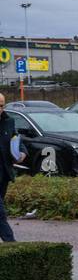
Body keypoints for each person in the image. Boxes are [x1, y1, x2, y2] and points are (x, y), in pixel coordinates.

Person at [0, 93, 27, 243]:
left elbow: (16, 139)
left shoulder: (8, 121)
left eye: (2, 105)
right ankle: (11, 244)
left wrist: (22, 152)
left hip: (4, 174)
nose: (0, 109)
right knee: (0, 213)